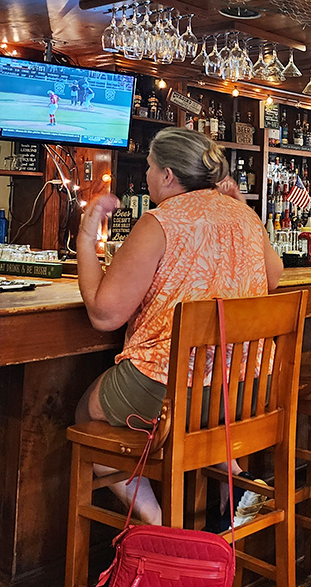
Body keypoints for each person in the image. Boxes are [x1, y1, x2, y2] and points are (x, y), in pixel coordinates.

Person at [76, 127, 284, 526]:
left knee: (87, 412)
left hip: (175, 392)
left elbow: (104, 315)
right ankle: (234, 477)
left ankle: (157, 519)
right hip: (247, 389)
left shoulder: (160, 221)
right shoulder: (242, 213)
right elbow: (273, 277)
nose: (148, 176)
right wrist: (243, 212)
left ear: (168, 175)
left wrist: (88, 236)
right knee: (203, 411)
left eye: (151, 168)